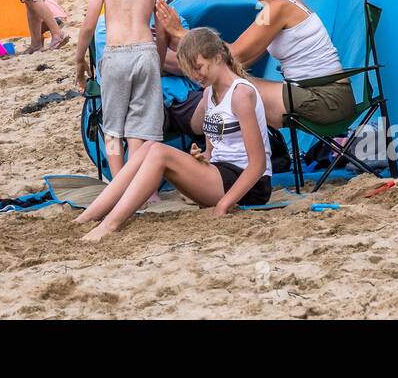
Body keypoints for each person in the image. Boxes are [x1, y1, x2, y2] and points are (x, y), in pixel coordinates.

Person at [75, 26, 271, 242]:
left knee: (158, 152)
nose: (196, 76)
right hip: (221, 174)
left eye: (199, 67)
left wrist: (223, 206)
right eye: (191, 71)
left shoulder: (241, 94)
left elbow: (258, 165)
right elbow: (212, 152)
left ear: (217, 58)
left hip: (249, 187)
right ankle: (89, 216)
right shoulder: (209, 94)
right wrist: (201, 157)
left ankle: (111, 224)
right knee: (150, 147)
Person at [156, 0, 353, 131]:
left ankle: (227, 156)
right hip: (320, 94)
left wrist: (181, 33)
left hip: (326, 98)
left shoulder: (278, 7)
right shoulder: (279, 4)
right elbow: (239, 60)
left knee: (228, 88)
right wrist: (178, 40)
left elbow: (234, 51)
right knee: (226, 84)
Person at [73, 0, 167, 177]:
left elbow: (89, 25)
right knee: (141, 128)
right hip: (146, 53)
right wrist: (157, 63)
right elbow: (162, 32)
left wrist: (80, 60)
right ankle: (141, 190)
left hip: (116, 55)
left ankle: (117, 185)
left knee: (113, 127)